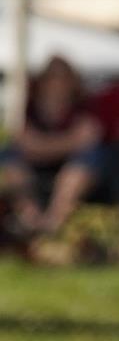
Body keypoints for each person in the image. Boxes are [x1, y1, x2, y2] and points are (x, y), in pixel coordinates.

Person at [0, 56, 110, 243]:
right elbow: (24, 142)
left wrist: (44, 146)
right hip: (35, 168)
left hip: (70, 169)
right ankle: (31, 218)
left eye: (62, 79)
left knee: (84, 163)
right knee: (10, 158)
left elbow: (90, 138)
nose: (56, 85)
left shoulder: (84, 108)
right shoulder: (28, 108)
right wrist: (68, 143)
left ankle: (53, 223)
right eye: (52, 79)